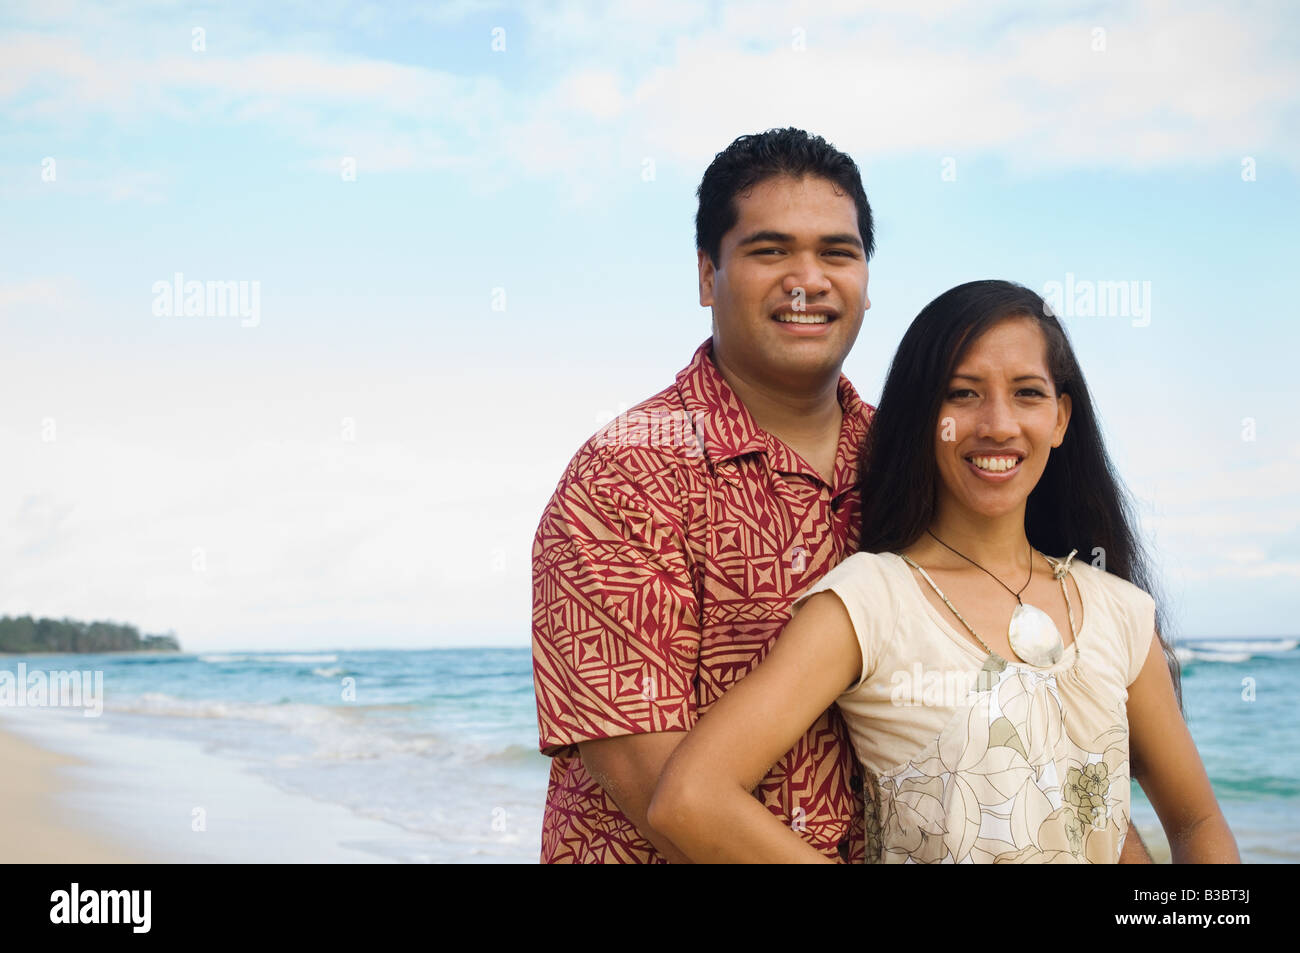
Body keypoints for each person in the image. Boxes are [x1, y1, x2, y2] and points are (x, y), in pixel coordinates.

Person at [532, 126, 1150, 863]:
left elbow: (1038, 730)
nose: (808, 279)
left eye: (837, 252)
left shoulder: (927, 456)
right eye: (770, 250)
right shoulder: (625, 476)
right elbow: (664, 793)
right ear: (707, 275)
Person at [647, 280, 1240, 863]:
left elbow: (1197, 822)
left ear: (1060, 420)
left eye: (1028, 393)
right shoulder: (871, 600)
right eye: (962, 394)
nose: (998, 424)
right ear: (924, 417)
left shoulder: (1120, 610)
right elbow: (692, 801)